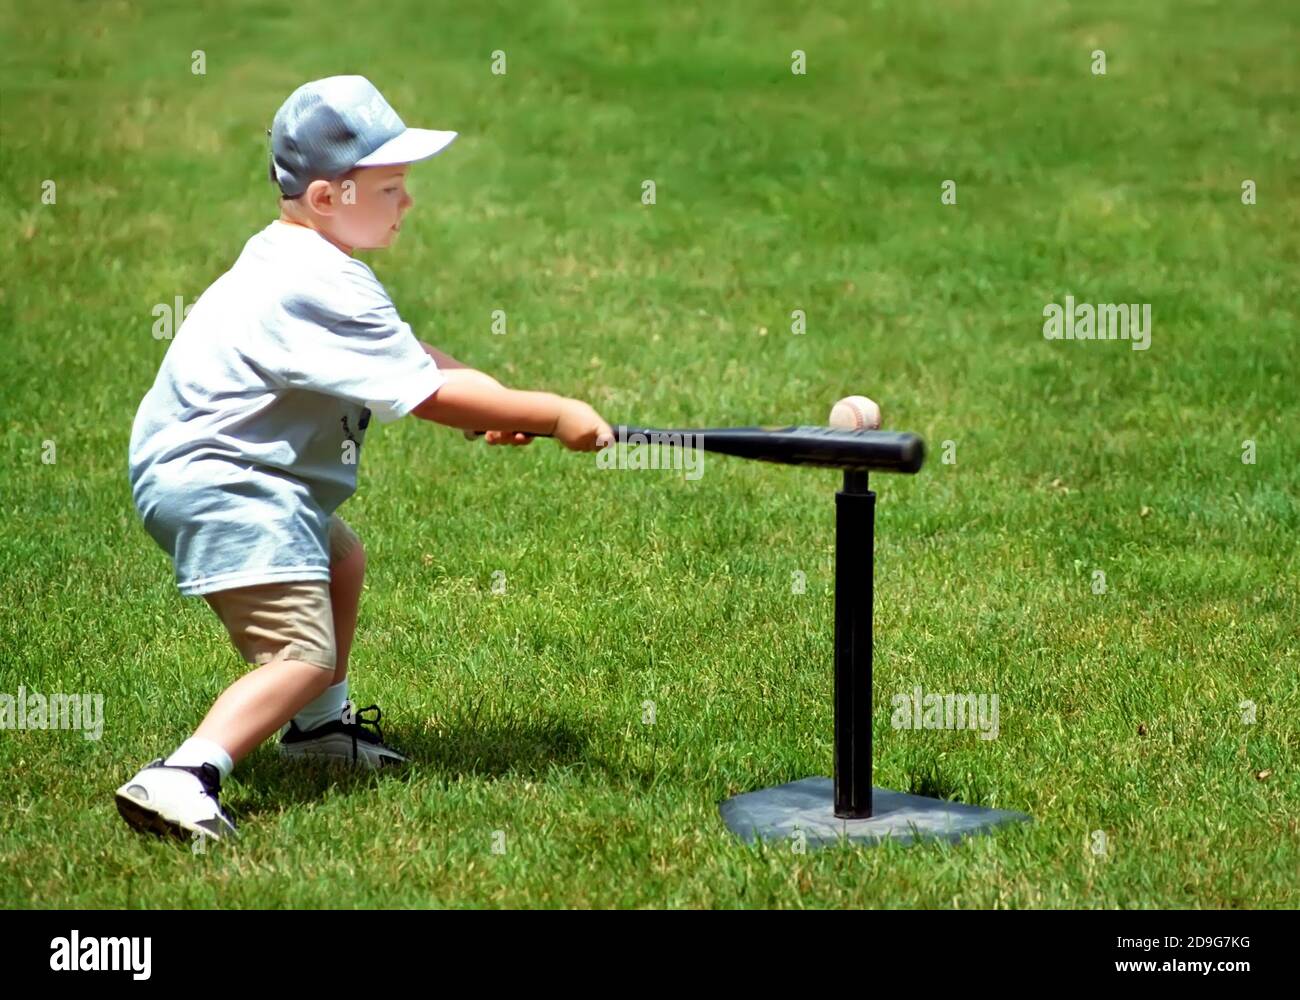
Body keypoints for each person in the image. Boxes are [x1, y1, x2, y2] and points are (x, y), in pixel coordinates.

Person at [118, 75, 613, 843]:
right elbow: (428, 395)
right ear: (327, 197)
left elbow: (415, 362)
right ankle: (184, 773)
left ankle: (318, 733)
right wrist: (551, 414)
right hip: (226, 481)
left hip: (232, 475)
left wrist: (498, 403)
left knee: (339, 560)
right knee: (301, 651)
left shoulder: (300, 259)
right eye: (389, 187)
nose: (406, 203)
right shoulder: (316, 283)